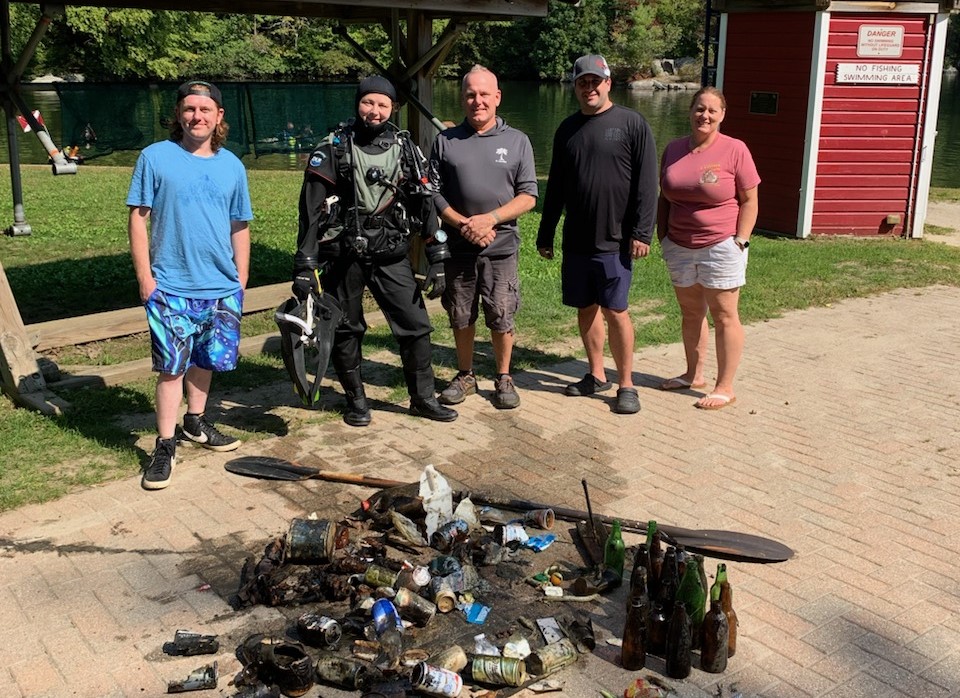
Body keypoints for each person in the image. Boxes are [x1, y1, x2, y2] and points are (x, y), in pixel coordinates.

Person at [292, 75, 457, 426]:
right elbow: (310, 210)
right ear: (358, 104)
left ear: (392, 108)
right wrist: (305, 264)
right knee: (347, 329)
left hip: (391, 253)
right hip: (343, 255)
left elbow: (424, 201)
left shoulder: (406, 148)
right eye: (368, 102)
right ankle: (356, 402)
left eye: (383, 104)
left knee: (416, 326)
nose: (375, 110)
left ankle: (423, 398)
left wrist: (437, 257)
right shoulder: (333, 147)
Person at [127, 80, 252, 491]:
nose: (196, 116)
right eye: (189, 109)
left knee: (206, 359)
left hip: (220, 285)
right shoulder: (156, 157)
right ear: (178, 114)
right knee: (170, 370)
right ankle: (164, 445)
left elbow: (240, 224)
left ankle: (195, 423)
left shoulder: (233, 164)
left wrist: (241, 277)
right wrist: (146, 278)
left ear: (219, 117)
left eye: (205, 110)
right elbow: (139, 218)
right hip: (171, 286)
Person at [536, 54, 658, 415]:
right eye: (582, 82)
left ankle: (626, 384)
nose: (589, 88)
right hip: (577, 239)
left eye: (595, 81)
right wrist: (546, 233)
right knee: (585, 308)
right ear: (575, 86)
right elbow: (555, 186)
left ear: (608, 83)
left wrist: (642, 232)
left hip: (616, 240)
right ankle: (595, 374)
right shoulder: (567, 129)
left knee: (616, 310)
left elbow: (647, 185)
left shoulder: (632, 124)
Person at [429, 65, 538, 410]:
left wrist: (489, 219)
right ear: (463, 98)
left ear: (497, 98)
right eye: (471, 94)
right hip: (459, 246)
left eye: (484, 94)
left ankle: (504, 376)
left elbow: (529, 196)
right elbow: (432, 193)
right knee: (461, 314)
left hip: (501, 247)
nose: (478, 101)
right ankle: (465, 374)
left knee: (501, 313)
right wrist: (463, 224)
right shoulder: (445, 141)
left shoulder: (518, 141)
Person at [657, 86, 760, 410]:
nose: (705, 115)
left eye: (712, 111)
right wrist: (663, 236)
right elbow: (664, 196)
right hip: (679, 245)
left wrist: (740, 241)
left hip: (721, 245)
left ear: (722, 115)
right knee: (691, 313)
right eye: (699, 109)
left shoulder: (735, 149)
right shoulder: (673, 149)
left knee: (725, 315)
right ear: (690, 111)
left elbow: (750, 200)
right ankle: (692, 375)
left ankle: (725, 386)